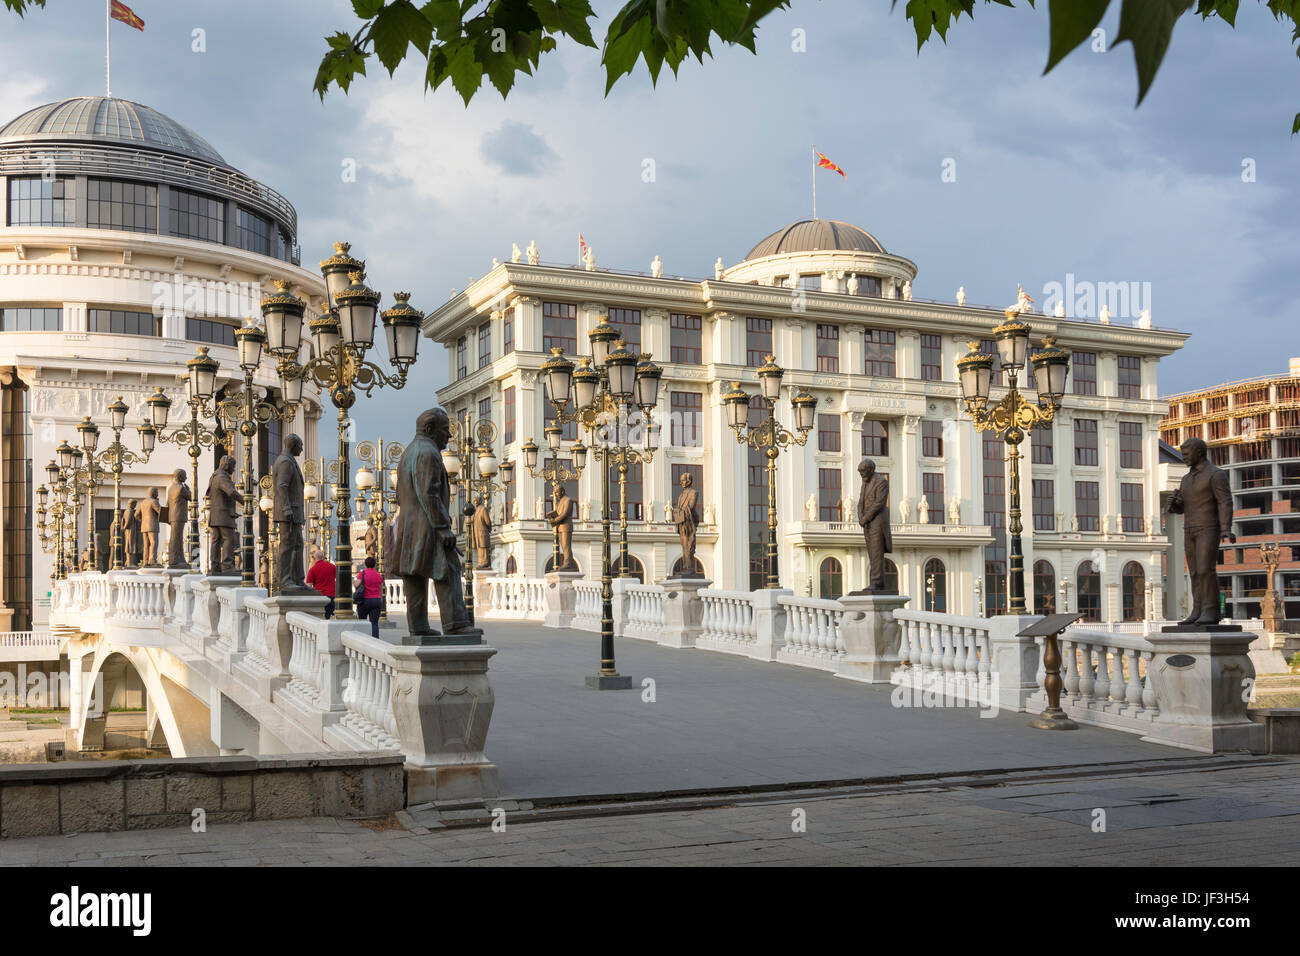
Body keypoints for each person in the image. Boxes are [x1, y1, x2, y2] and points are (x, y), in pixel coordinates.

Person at [391, 407, 473, 637]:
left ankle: (418, 627)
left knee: (414, 576)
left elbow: (401, 494)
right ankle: (455, 624)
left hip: (408, 527)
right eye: (445, 430)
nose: (449, 436)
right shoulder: (428, 453)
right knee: (448, 569)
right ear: (429, 429)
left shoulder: (408, 453)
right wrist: (442, 527)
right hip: (428, 525)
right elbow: (429, 493)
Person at [1166, 436, 1234, 625]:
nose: (1184, 458)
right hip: (1189, 529)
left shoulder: (1215, 474)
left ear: (1199, 453)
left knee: (1206, 570)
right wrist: (1174, 505)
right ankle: (1197, 609)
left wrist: (1226, 528)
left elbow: (1225, 502)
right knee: (1194, 572)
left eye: (1187, 454)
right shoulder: (1186, 479)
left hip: (1208, 528)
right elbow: (1183, 507)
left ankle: (1211, 611)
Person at [854, 458, 894, 593]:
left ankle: (877, 583)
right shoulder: (865, 483)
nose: (861, 475)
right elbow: (860, 503)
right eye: (860, 473)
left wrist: (865, 518)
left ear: (871, 469)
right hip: (867, 524)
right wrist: (861, 518)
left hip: (877, 522)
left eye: (863, 472)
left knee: (877, 553)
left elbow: (879, 503)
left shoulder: (881, 481)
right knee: (872, 554)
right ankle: (876, 582)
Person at [354, 555, 383, 638]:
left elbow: (356, 585)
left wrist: (354, 582)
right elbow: (380, 588)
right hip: (376, 600)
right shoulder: (378, 575)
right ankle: (375, 640)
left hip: (365, 600)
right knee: (374, 623)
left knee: (362, 621)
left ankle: (363, 638)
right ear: (374, 564)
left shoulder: (362, 574)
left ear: (366, 564)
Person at [306, 547, 336, 618]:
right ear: (322, 557)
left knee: (321, 618)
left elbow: (309, 586)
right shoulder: (332, 567)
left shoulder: (312, 570)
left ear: (314, 558)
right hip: (332, 595)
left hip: (320, 597)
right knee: (331, 617)